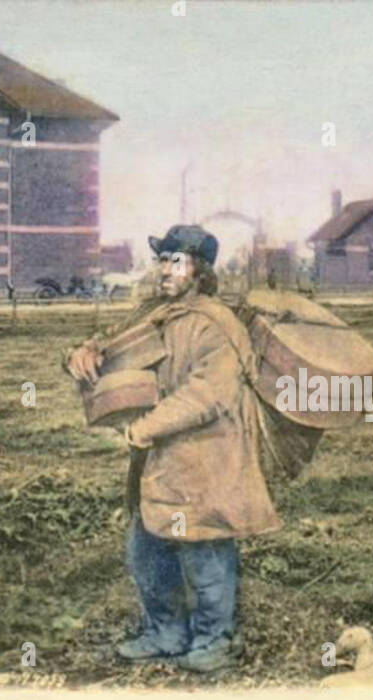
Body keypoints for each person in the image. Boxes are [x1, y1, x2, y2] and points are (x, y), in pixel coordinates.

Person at [66, 225, 279, 673]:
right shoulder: (154, 313)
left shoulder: (216, 326)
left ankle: (214, 640)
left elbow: (209, 395)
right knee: (147, 551)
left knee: (204, 552)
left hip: (207, 459)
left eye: (175, 261)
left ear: (199, 272)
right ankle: (164, 632)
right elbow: (111, 344)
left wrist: (144, 428)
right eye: (162, 260)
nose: (165, 269)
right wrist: (83, 352)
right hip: (158, 463)